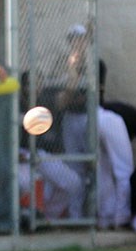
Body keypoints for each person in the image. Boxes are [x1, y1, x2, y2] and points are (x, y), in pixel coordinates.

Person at [49, 23, 131, 229]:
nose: (77, 43)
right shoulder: (61, 63)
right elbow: (62, 101)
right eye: (73, 39)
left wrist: (75, 73)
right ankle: (76, 219)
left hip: (90, 117)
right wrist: (71, 75)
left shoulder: (96, 64)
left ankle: (110, 217)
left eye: (81, 39)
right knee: (75, 170)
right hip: (70, 119)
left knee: (100, 167)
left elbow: (86, 95)